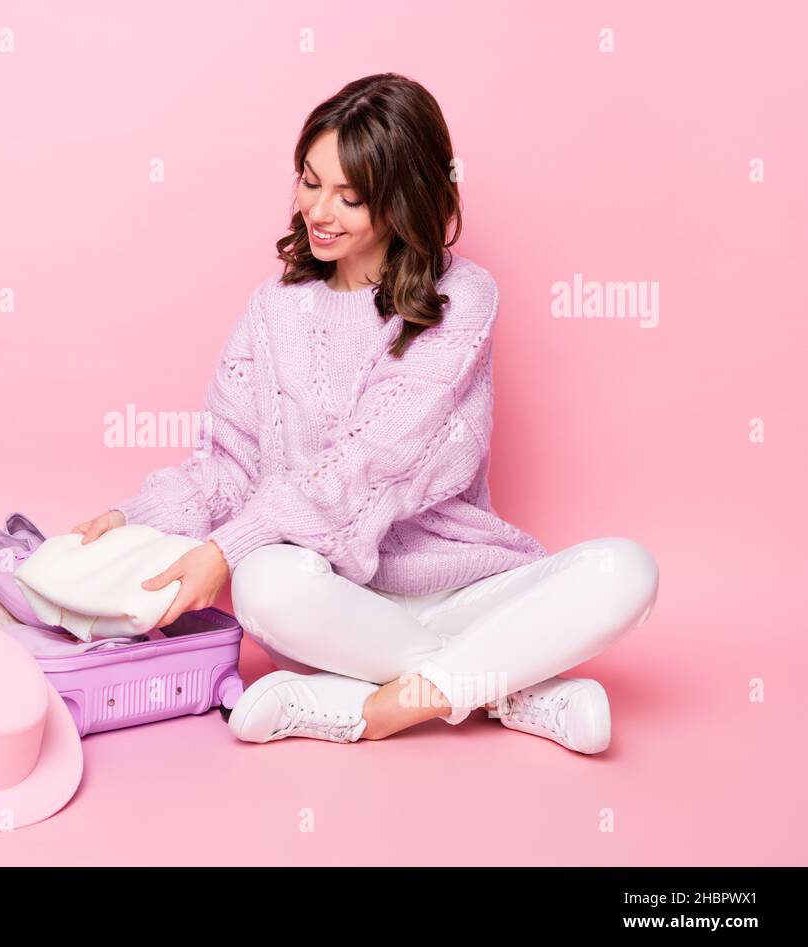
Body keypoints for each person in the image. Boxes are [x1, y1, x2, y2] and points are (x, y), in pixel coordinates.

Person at [72, 73, 658, 755]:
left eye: (350, 197)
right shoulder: (273, 308)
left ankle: (372, 707)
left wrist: (224, 548)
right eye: (310, 181)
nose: (320, 210)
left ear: (402, 198)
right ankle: (507, 685)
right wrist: (128, 519)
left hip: (463, 586)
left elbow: (376, 456)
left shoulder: (462, 295)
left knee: (626, 569)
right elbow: (228, 467)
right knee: (263, 583)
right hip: (339, 606)